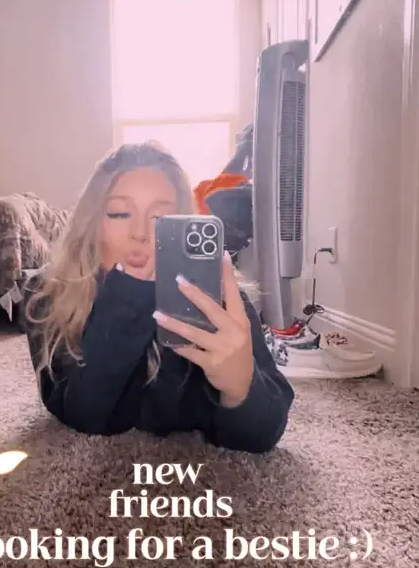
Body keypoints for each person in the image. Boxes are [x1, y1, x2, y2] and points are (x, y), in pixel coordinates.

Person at [22, 142, 294, 454]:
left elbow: (263, 434)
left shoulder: (217, 302)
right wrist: (127, 298)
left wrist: (241, 387)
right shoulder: (48, 296)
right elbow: (84, 414)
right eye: (119, 213)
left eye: (160, 218)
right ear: (92, 225)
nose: (140, 232)